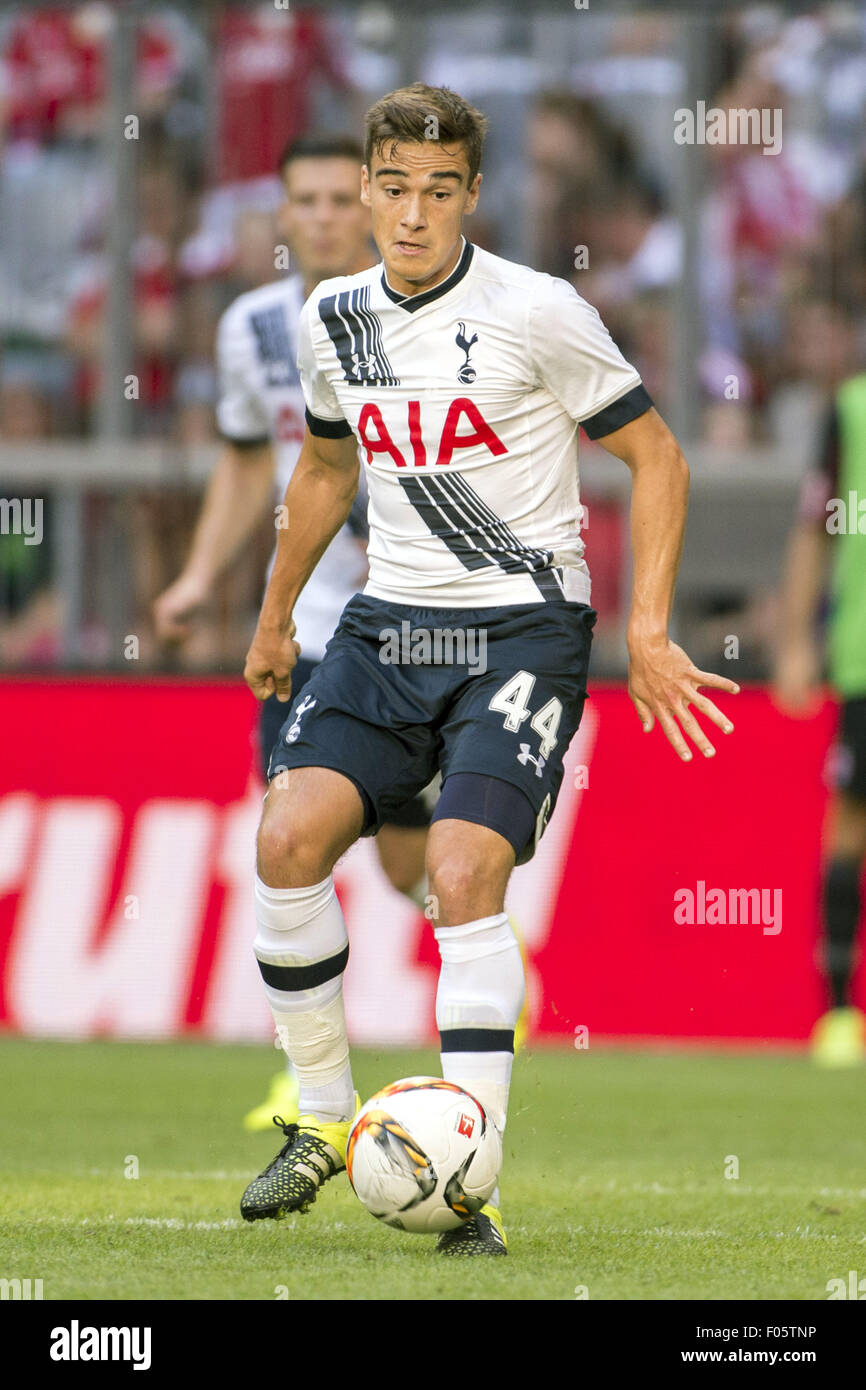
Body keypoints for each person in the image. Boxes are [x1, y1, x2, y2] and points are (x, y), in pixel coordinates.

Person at [239, 83, 738, 1256]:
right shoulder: (333, 316)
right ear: (366, 189)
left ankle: (473, 1186)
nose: (413, 214)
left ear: (472, 194)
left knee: (461, 872)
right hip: (387, 624)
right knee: (284, 838)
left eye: (440, 190)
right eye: (395, 188)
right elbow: (323, 471)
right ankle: (318, 1118)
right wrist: (271, 621)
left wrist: (648, 631)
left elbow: (653, 456)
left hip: (519, 626)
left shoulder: (537, 311)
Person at [153, 134, 434, 1128]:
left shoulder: (413, 318)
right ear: (279, 214)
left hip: (403, 630)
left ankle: (491, 980)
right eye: (300, 199)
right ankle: (309, 1078)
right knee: (290, 845)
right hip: (301, 630)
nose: (317, 215)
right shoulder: (250, 328)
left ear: (362, 206)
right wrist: (198, 576)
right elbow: (247, 465)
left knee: (408, 865)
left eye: (333, 198)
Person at [774, 363, 866, 1065]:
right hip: (861, 655)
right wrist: (796, 639)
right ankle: (837, 1014)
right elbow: (815, 527)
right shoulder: (851, 407)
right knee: (849, 826)